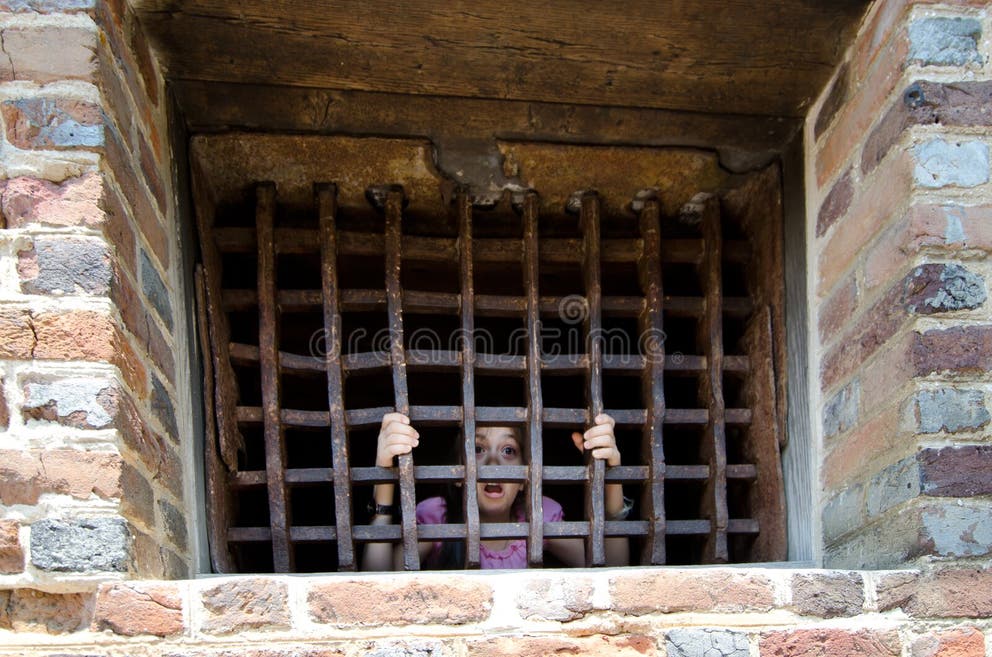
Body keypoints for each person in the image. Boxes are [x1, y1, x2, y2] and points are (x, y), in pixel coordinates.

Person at [362, 412, 631, 570]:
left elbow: (611, 572)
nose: (493, 463)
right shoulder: (439, 518)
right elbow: (380, 581)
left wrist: (610, 477)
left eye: (508, 450)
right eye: (478, 449)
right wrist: (383, 473)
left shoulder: (536, 518)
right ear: (458, 473)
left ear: (527, 478)